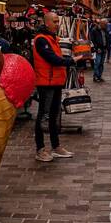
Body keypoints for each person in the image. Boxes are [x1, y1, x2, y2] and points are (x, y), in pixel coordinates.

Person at [31, 10, 75, 163]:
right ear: (47, 22)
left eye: (58, 21)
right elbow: (52, 59)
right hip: (46, 83)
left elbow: (59, 57)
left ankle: (56, 147)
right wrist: (70, 61)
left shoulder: (53, 39)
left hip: (56, 82)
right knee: (43, 116)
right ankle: (40, 149)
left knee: (54, 116)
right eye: (55, 22)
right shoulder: (41, 40)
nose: (58, 24)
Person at [90, 18, 108, 82]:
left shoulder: (105, 29)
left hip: (104, 48)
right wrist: (97, 48)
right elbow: (92, 40)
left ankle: (99, 76)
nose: (106, 25)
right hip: (98, 49)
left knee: (101, 63)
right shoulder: (94, 30)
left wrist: (107, 46)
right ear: (101, 23)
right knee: (97, 63)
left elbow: (106, 38)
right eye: (105, 24)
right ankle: (96, 77)